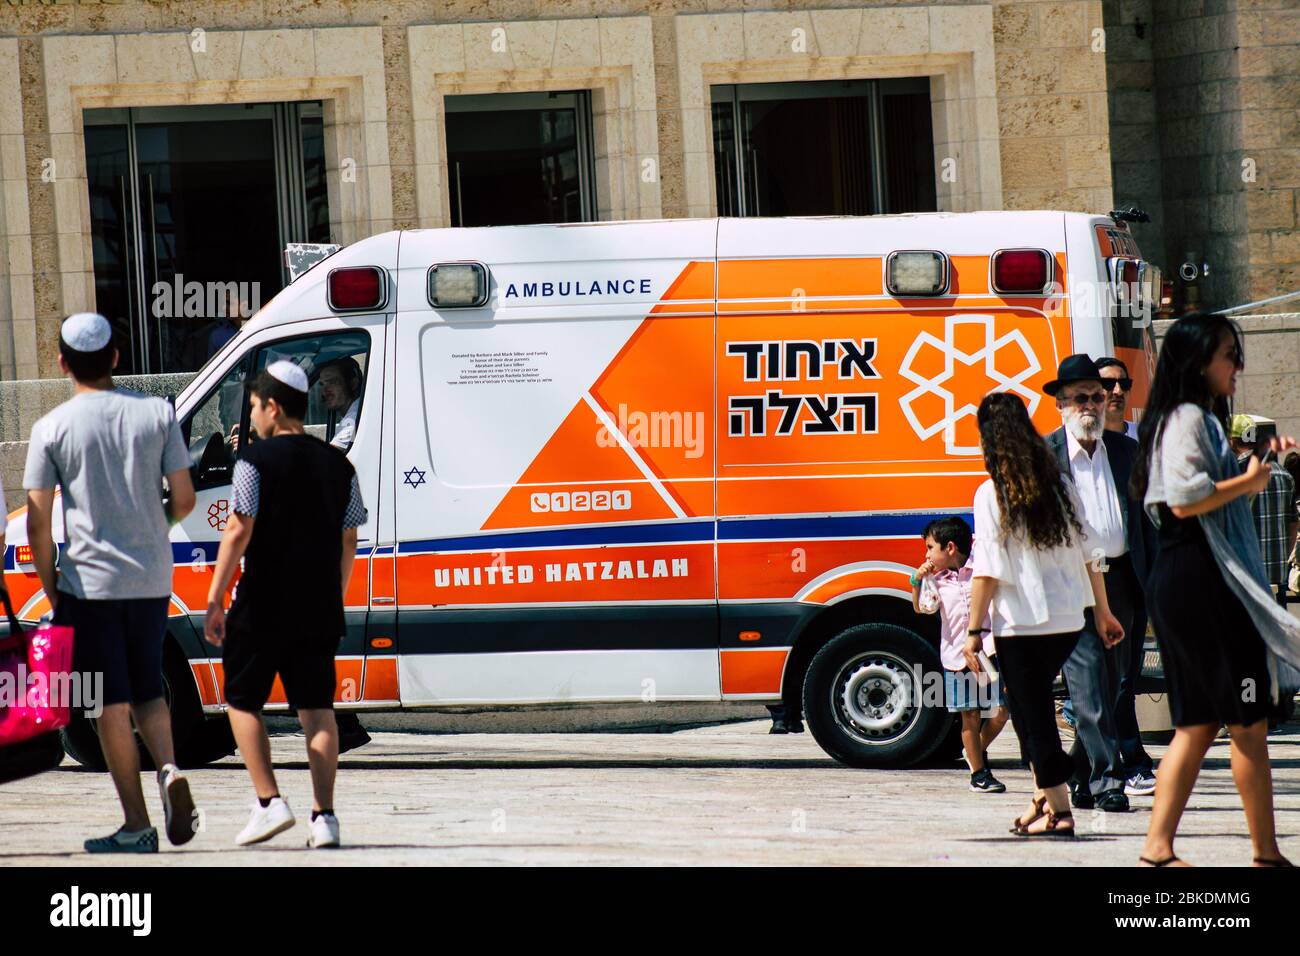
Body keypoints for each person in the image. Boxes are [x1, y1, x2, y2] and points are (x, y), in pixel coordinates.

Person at [24, 312, 200, 853]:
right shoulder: (156, 415)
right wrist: (155, 527)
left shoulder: (51, 428)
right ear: (116, 359)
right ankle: (170, 769)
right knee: (150, 689)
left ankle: (136, 824)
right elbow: (185, 498)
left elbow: (37, 522)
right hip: (150, 578)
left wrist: (54, 588)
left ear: (61, 363)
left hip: (89, 586)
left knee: (108, 704)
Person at [1132, 311, 1300, 867]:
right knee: (1247, 722)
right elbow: (1184, 500)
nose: (1238, 365)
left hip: (1190, 579)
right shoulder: (1188, 418)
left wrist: (1257, 470)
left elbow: (1212, 506)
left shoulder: (1184, 420)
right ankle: (1266, 853)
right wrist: (1249, 479)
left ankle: (1158, 849)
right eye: (1229, 353)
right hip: (1206, 585)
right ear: (1198, 360)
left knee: (1199, 723)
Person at [204, 361, 368, 849]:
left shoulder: (255, 463)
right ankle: (325, 818)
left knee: (241, 699)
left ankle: (269, 801)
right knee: (317, 710)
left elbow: (239, 527)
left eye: (253, 406)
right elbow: (349, 538)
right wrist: (333, 595)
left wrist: (215, 598)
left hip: (263, 602)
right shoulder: (340, 465)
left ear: (273, 407)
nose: (251, 417)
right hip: (318, 605)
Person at [965, 391, 1125, 839]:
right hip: (1067, 621)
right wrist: (1103, 611)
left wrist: (973, 630)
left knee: (1033, 720)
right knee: (1027, 712)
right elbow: (1092, 550)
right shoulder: (1058, 483)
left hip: (1022, 623)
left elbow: (987, 571)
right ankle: (1044, 797)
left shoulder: (991, 492)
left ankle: (1060, 811)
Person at [1045, 355, 1156, 809]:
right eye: (1081, 398)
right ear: (1061, 403)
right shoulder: (1046, 457)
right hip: (1073, 584)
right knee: (1088, 684)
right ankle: (1110, 780)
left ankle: (1079, 771)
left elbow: (1147, 521)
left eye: (1098, 395)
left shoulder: (1125, 450)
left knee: (1112, 687)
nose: (1093, 404)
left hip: (1122, 580)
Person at [911, 515, 1009, 793]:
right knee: (970, 714)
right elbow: (923, 608)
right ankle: (979, 773)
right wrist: (916, 582)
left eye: (931, 547)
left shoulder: (981, 571)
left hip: (987, 650)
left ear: (950, 548)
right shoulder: (936, 580)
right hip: (956, 656)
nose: (927, 554)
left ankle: (974, 750)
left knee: (1002, 711)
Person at [1229, 414, 1296, 609]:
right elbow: (1293, 524)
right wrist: (1282, 557)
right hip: (1277, 575)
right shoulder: (1284, 475)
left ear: (1232, 441)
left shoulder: (1234, 475)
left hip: (1246, 574)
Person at [319, 357, 363, 451]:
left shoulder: (356, 416)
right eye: (322, 384)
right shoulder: (356, 410)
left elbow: (327, 457)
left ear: (353, 384)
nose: (324, 392)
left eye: (332, 382)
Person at [1096, 357, 1139, 440]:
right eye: (1109, 383)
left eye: (1124, 383)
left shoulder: (1148, 437)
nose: (1118, 391)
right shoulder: (1082, 442)